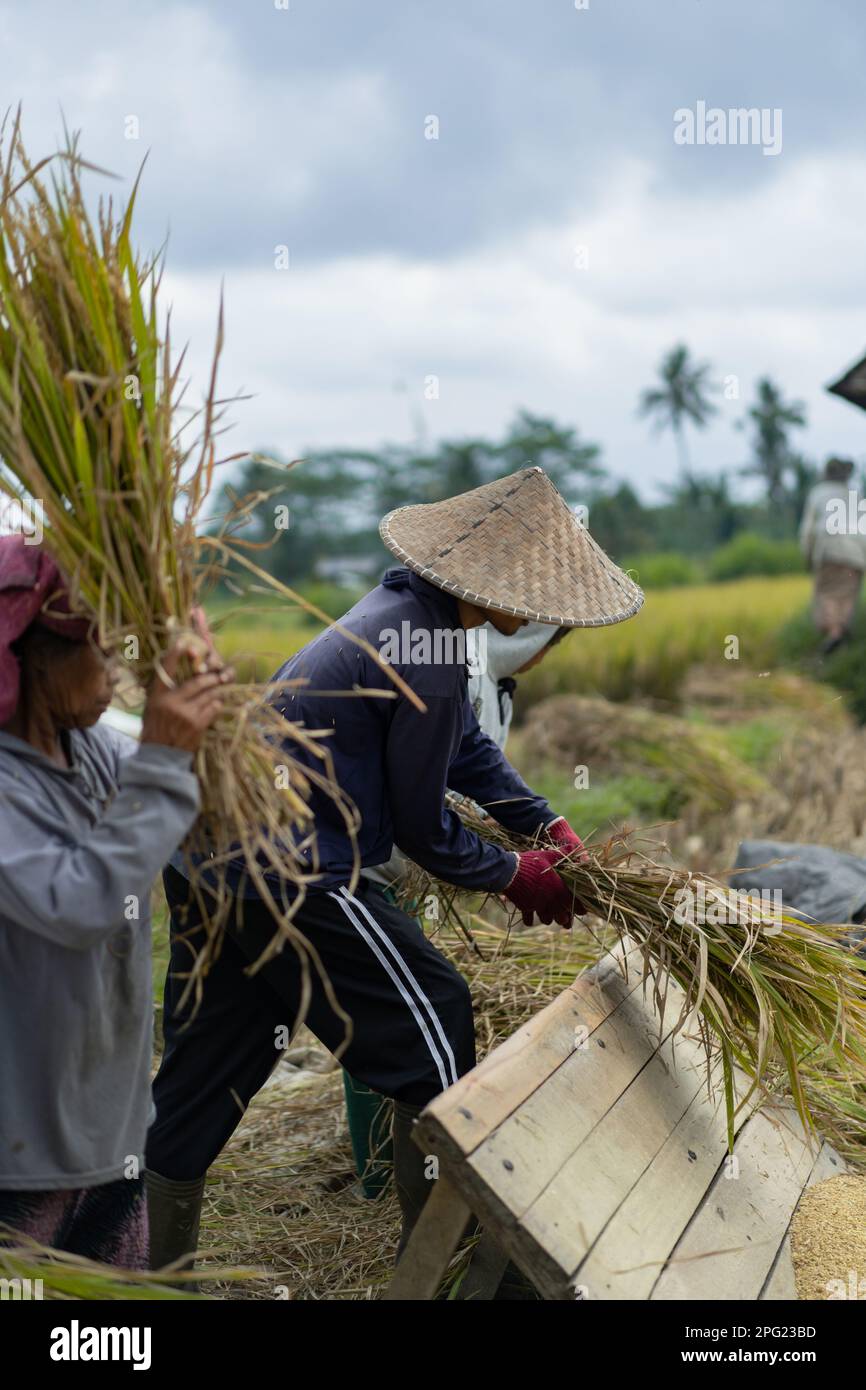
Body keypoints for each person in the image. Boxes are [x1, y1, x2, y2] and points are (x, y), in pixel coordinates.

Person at [145, 465, 644, 1275]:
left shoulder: (411, 620)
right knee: (437, 1029)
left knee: (207, 1068)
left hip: (210, 859)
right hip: (291, 870)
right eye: (538, 595)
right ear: (495, 581)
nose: (543, 614)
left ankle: (144, 1272)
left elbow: (466, 752)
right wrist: (521, 875)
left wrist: (541, 820)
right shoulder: (424, 642)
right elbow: (424, 828)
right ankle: (445, 1272)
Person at [0, 534, 230, 1268]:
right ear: (33, 657)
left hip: (114, 1127)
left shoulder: (91, 746)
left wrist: (207, 728)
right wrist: (166, 759)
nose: (113, 671)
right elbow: (80, 903)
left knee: (109, 1340)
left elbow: (194, 808)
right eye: (97, 649)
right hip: (19, 1155)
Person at [799, 456, 866, 653]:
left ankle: (834, 634)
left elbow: (808, 530)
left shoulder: (818, 493)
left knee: (827, 593)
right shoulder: (856, 494)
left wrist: (808, 556)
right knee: (847, 595)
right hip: (857, 553)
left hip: (829, 548)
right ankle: (842, 636)